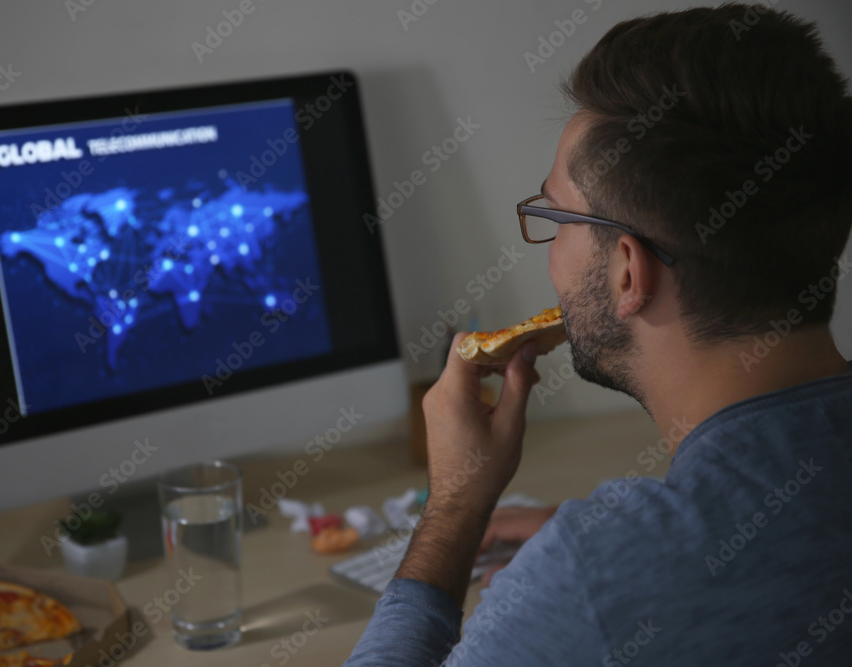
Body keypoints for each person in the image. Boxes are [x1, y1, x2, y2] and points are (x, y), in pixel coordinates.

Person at [345, 4, 852, 665]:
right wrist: (621, 553)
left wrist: (457, 504)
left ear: (627, 272)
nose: (548, 253)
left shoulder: (594, 576)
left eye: (556, 218)